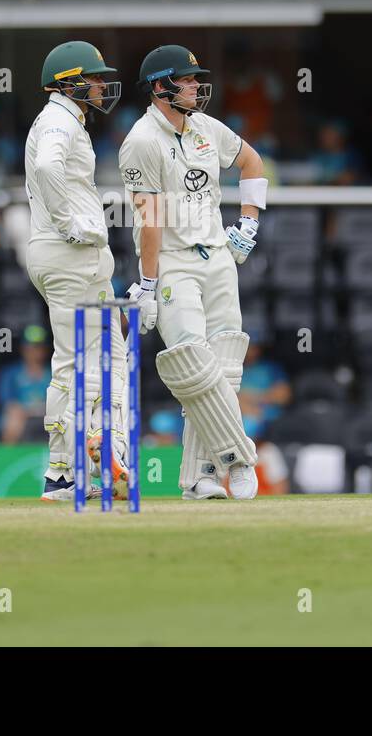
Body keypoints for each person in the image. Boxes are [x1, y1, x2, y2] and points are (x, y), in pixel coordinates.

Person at [119, 44, 269, 500]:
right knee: (191, 361)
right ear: (161, 87)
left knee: (225, 365)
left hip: (218, 256)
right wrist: (147, 283)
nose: (195, 87)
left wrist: (248, 222)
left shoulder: (205, 127)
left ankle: (197, 479)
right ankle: (239, 457)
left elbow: (251, 161)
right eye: (185, 81)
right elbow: (150, 220)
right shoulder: (142, 142)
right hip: (174, 263)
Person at [23, 40, 128, 502]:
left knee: (84, 356)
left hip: (67, 256)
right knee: (86, 359)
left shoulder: (67, 120)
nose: (104, 85)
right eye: (96, 78)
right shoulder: (58, 120)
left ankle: (66, 469)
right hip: (68, 254)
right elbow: (47, 166)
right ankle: (76, 464)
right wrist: (73, 222)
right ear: (71, 82)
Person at [0, 325, 52, 444]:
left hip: (48, 415)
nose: (35, 352)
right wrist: (28, 410)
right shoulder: (10, 373)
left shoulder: (54, 373)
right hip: (21, 416)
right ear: (23, 349)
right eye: (31, 347)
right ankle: (7, 458)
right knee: (13, 416)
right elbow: (6, 403)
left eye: (39, 347)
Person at [238, 340, 291, 440]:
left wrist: (249, 397)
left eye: (253, 347)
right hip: (239, 416)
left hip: (268, 417)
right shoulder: (232, 369)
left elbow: (283, 397)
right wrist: (244, 406)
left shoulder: (271, 368)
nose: (249, 351)